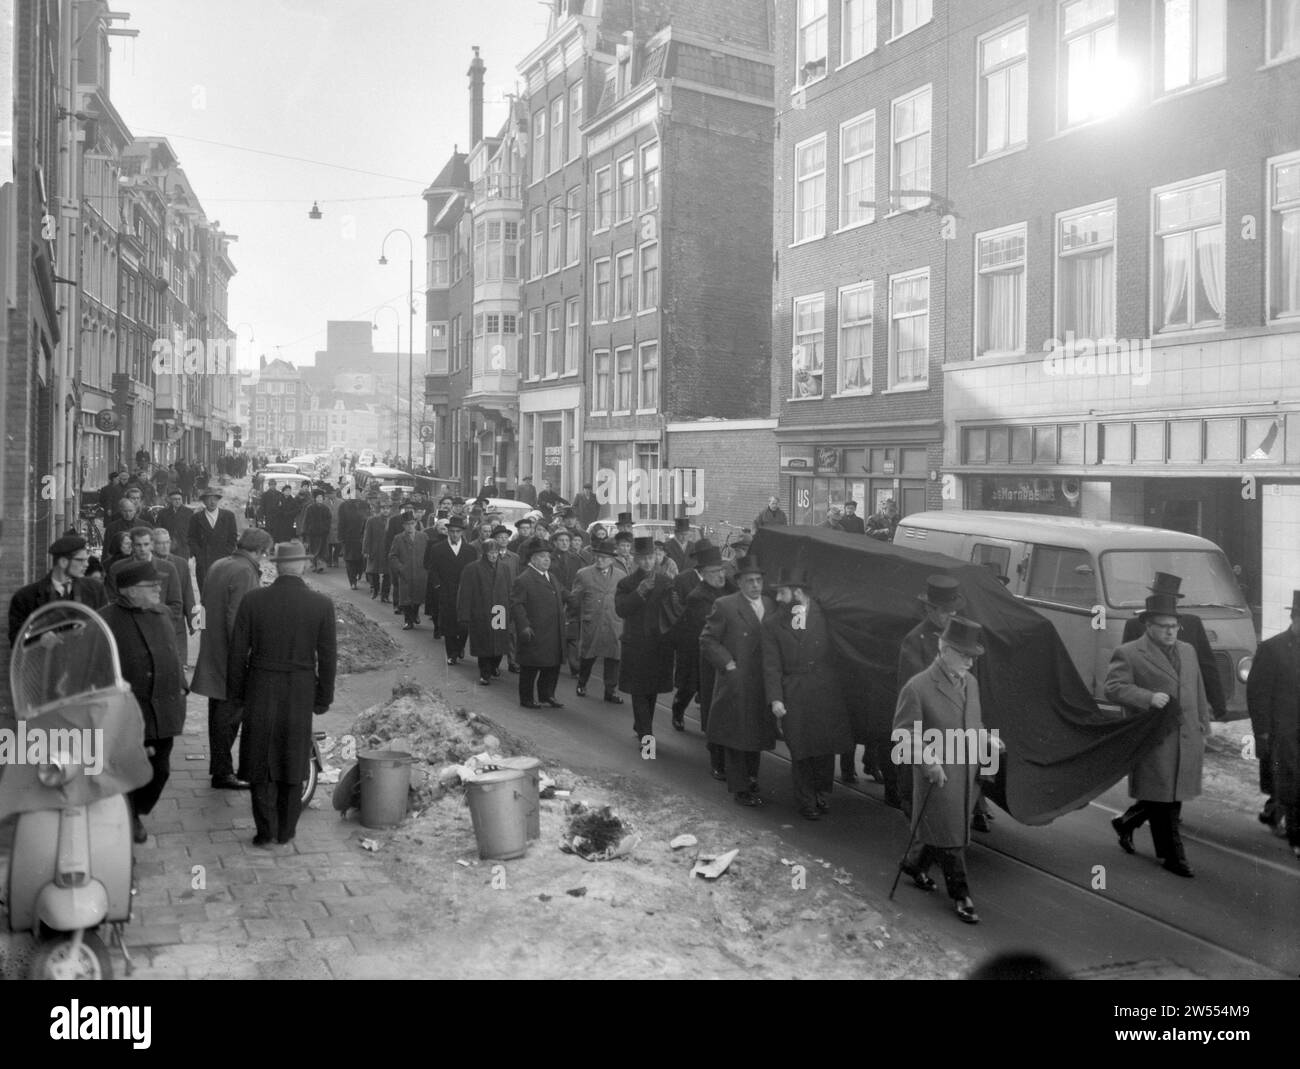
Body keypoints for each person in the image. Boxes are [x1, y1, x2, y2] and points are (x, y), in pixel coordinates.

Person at [227, 541, 337, 847]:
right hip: (300, 688)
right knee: (293, 757)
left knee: (260, 757)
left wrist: (236, 694)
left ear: (275, 566)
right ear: (302, 566)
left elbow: (237, 653)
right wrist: (323, 697)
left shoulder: (253, 601)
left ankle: (265, 831)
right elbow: (328, 658)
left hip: (260, 684)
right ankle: (286, 830)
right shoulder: (321, 604)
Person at [1105, 591, 1212, 878]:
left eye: (1174, 626)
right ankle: (1173, 857)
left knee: (1168, 794)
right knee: (1165, 798)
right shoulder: (1129, 652)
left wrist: (1204, 722)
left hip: (1187, 734)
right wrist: (1147, 697)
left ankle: (1126, 822)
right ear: (1148, 626)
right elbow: (1113, 687)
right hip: (1154, 738)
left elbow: (1197, 688)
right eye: (1163, 626)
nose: (1170, 631)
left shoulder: (1188, 650)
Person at [894, 617, 989, 924]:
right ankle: (962, 896)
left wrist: (987, 742)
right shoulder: (918, 687)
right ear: (945, 650)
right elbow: (905, 736)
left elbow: (973, 722)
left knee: (945, 830)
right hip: (938, 776)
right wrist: (929, 763)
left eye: (973, 656)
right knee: (952, 838)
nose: (971, 663)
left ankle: (914, 864)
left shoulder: (970, 683)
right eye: (965, 655)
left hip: (966, 775)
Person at [100, 559, 186, 844]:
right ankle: (130, 816)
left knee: (160, 770)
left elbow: (171, 652)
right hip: (128, 711)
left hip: (164, 706)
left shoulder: (161, 613)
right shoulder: (104, 621)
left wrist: (181, 684)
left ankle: (136, 810)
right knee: (127, 769)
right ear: (131, 591)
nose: (159, 589)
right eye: (152, 586)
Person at [765, 567, 854, 821]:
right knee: (801, 748)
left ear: (797, 592)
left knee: (824, 746)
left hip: (825, 690)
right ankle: (806, 799)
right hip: (794, 691)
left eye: (782, 593)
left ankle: (820, 792)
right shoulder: (772, 624)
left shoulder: (824, 613)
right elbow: (771, 665)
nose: (778, 598)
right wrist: (776, 698)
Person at [191, 527, 273, 790]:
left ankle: (221, 770)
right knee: (229, 717)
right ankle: (223, 773)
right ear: (258, 550)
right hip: (230, 658)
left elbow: (204, 604)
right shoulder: (245, 571)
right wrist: (247, 657)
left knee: (218, 715)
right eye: (264, 554)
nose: (263, 559)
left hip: (214, 650)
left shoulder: (219, 564)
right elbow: (239, 619)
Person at [700, 554, 776, 805]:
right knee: (736, 735)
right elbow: (707, 640)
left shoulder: (770, 604)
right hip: (738, 681)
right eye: (750, 581)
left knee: (755, 733)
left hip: (762, 681)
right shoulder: (725, 605)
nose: (755, 585)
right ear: (740, 583)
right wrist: (728, 663)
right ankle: (740, 789)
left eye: (758, 580)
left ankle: (751, 778)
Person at [891, 576, 967, 815]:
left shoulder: (956, 638)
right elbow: (912, 693)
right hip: (925, 729)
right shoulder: (915, 640)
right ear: (929, 609)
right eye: (945, 612)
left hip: (950, 730)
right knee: (916, 798)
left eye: (953, 612)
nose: (950, 617)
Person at [1120, 573, 1226, 721]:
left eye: (1171, 599)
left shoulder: (1192, 624)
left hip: (1185, 714)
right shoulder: (1136, 625)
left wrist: (1218, 707)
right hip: (1150, 713)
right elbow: (1125, 676)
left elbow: (1207, 667)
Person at [1246, 592, 1300, 857]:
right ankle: (1296, 838)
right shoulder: (1272, 648)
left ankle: (1272, 814)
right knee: (1293, 781)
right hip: (1283, 731)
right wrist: (1262, 732)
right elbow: (1258, 694)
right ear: (1294, 618)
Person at [615, 537, 676, 741]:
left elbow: (673, 613)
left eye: (651, 558)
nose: (647, 563)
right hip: (636, 646)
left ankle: (641, 726)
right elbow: (621, 610)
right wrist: (639, 592)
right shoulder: (626, 583)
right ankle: (647, 739)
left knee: (651, 692)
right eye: (643, 559)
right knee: (639, 691)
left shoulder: (666, 583)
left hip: (658, 646)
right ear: (635, 560)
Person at [684, 549, 736, 779]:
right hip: (712, 664)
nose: (720, 574)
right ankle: (717, 762)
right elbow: (710, 631)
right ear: (703, 573)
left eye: (722, 569)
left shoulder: (729, 587)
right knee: (714, 711)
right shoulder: (698, 596)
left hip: (732, 659)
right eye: (715, 571)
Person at [8, 533, 106, 644]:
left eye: (86, 560)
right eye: (81, 560)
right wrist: (40, 638)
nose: (86, 564)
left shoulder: (95, 590)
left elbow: (105, 630)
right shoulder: (25, 597)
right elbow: (15, 637)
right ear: (63, 562)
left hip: (85, 659)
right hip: (47, 660)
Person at [109, 527, 185, 662]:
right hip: (129, 635)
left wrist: (162, 625)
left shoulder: (167, 568)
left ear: (152, 545)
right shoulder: (118, 568)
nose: (142, 549)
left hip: (159, 634)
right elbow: (113, 599)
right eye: (138, 545)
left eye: (146, 544)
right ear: (132, 545)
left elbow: (176, 604)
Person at [666, 541, 720, 731]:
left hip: (711, 642)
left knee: (709, 687)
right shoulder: (683, 579)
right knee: (689, 684)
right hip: (690, 640)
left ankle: (711, 725)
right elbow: (676, 607)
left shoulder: (721, 582)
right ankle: (678, 709)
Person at [510, 538, 566, 709]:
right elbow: (516, 604)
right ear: (532, 559)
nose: (547, 560)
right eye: (542, 557)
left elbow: (563, 592)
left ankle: (547, 695)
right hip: (535, 630)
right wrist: (524, 626)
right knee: (530, 666)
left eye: (548, 556)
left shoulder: (552, 576)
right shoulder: (524, 579)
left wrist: (575, 598)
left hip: (553, 630)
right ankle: (526, 698)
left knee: (552, 665)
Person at [569, 541, 624, 703]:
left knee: (614, 657)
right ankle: (582, 682)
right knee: (588, 655)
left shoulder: (621, 575)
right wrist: (571, 617)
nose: (600, 560)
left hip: (614, 621)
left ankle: (610, 690)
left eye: (604, 558)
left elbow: (623, 599)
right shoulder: (583, 574)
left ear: (612, 560)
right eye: (598, 557)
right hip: (592, 620)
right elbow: (575, 598)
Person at [458, 534, 513, 686]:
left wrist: (511, 610)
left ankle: (494, 666)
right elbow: (465, 593)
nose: (494, 555)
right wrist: (464, 614)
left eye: (496, 552)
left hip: (500, 611)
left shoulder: (505, 568)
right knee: (484, 645)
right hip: (481, 611)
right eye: (490, 553)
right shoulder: (472, 568)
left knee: (500, 643)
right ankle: (485, 673)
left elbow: (509, 590)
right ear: (484, 553)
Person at [426, 515, 477, 664]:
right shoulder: (438, 548)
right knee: (448, 623)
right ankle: (451, 653)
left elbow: (473, 571)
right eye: (452, 531)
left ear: (462, 533)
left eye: (458, 532)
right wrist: (438, 585)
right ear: (448, 532)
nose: (455, 534)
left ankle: (460, 645)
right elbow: (432, 569)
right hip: (446, 591)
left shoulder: (470, 550)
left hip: (465, 592)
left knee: (463, 623)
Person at [151, 527, 196, 667]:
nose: (165, 546)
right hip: (155, 617)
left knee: (179, 662)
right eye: (160, 543)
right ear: (153, 544)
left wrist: (195, 621)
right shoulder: (149, 563)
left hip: (177, 618)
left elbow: (188, 592)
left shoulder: (181, 563)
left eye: (167, 542)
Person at [187, 487, 238, 594]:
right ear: (204, 501)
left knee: (223, 592)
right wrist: (199, 554)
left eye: (215, 498)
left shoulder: (228, 516)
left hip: (224, 560)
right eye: (209, 499)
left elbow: (233, 537)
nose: (212, 501)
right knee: (205, 593)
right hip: (204, 561)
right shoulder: (196, 518)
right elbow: (191, 538)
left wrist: (227, 553)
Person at [388, 511, 429, 630]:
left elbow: (428, 553)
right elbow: (392, 556)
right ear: (403, 526)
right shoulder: (398, 538)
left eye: (411, 523)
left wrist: (426, 567)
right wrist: (400, 568)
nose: (409, 526)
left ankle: (415, 613)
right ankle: (408, 620)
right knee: (405, 598)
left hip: (420, 572)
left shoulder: (423, 536)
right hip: (405, 572)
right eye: (407, 524)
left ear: (415, 523)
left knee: (418, 596)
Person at [154, 487, 193, 565]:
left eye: (179, 499)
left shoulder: (189, 512)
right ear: (170, 500)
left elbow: (193, 531)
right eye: (175, 499)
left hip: (183, 545)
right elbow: (158, 529)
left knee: (182, 566)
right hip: (167, 545)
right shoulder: (163, 513)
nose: (177, 501)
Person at [362, 499, 391, 600]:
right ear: (380, 509)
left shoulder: (392, 521)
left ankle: (385, 595)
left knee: (388, 574)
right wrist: (366, 550)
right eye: (384, 508)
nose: (386, 510)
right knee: (373, 572)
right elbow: (367, 536)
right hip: (375, 550)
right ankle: (375, 589)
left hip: (388, 551)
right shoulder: (372, 520)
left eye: (388, 508)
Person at [339, 495, 369, 590]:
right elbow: (341, 522)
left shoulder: (365, 505)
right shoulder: (344, 506)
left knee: (361, 561)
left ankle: (358, 574)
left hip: (362, 538)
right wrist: (341, 537)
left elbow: (368, 521)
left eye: (358, 492)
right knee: (349, 560)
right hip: (349, 538)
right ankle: (352, 581)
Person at [302, 490, 332, 573]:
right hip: (312, 533)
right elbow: (306, 520)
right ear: (315, 498)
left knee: (322, 550)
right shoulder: (310, 508)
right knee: (314, 550)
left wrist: (326, 528)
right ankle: (315, 565)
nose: (320, 499)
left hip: (323, 533)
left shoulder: (326, 509)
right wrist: (305, 531)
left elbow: (329, 520)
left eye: (321, 497)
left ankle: (320, 566)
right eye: (318, 497)